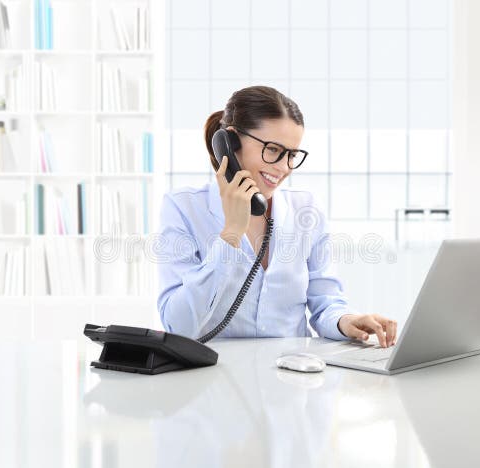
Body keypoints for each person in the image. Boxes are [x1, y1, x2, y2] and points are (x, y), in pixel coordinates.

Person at [156, 86, 397, 346]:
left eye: (292, 155)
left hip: (294, 375)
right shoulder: (183, 208)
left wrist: (345, 321)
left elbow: (326, 301)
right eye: (272, 150)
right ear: (229, 143)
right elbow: (178, 326)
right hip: (215, 377)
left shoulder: (307, 209)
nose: (283, 167)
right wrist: (231, 234)